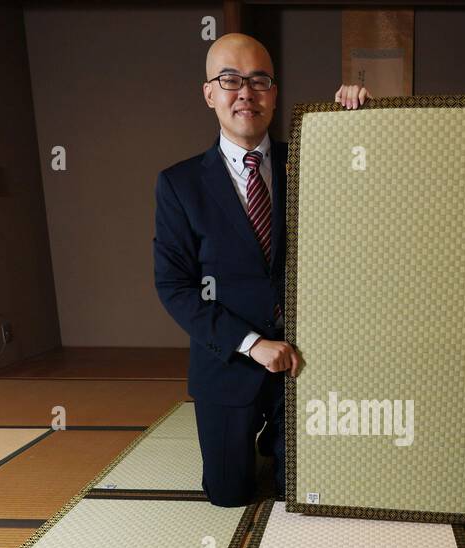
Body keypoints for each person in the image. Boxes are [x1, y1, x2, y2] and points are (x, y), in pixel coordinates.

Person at [153, 32, 368, 506]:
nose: (245, 92)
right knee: (229, 495)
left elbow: (370, 199)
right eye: (229, 80)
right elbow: (174, 287)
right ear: (209, 93)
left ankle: (281, 446)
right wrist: (252, 345)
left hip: (308, 361)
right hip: (229, 360)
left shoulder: (316, 156)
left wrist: (357, 124)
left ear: (274, 92)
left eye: (259, 80)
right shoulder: (179, 183)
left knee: (308, 491)